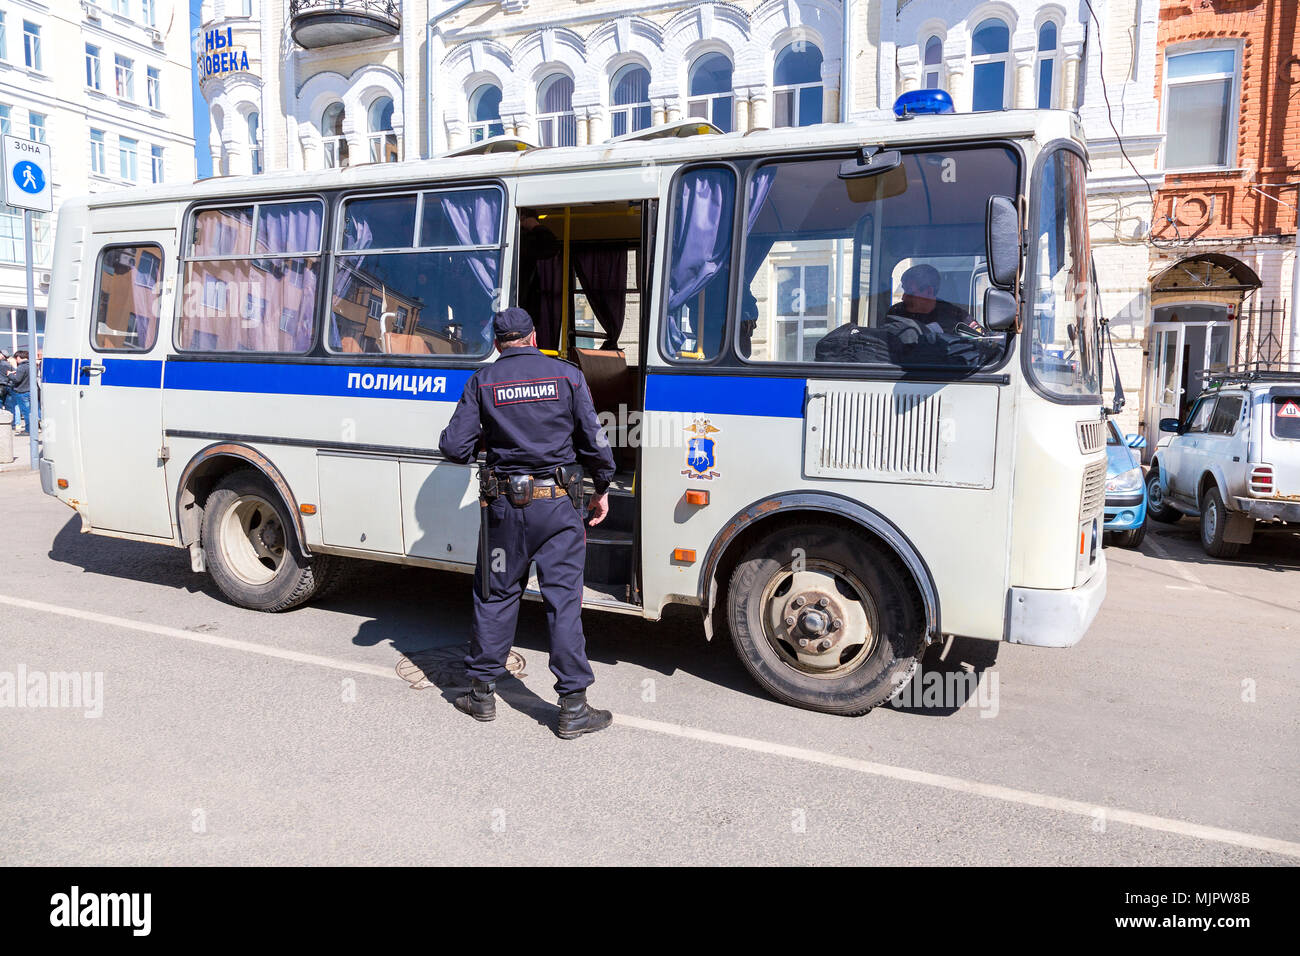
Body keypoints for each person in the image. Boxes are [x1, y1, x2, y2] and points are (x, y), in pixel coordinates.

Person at [438, 307, 617, 739]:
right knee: (563, 603)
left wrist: (493, 436)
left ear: (498, 343)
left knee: (495, 596)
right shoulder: (568, 375)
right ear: (535, 336)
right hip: (559, 509)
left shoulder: (483, 381)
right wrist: (603, 484)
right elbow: (593, 439)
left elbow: (453, 447)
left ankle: (481, 694)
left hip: (504, 512)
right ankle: (573, 706)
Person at [885, 263, 984, 337]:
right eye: (904, 290)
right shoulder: (895, 313)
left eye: (910, 292)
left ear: (928, 291)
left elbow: (978, 340)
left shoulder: (957, 316)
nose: (903, 297)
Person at [2, 350, 31, 434]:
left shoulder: (22, 367)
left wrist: (10, 374)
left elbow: (17, 379)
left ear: (18, 357)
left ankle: (28, 430)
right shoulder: (30, 365)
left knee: (26, 412)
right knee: (29, 412)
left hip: (22, 392)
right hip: (29, 391)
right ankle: (31, 429)